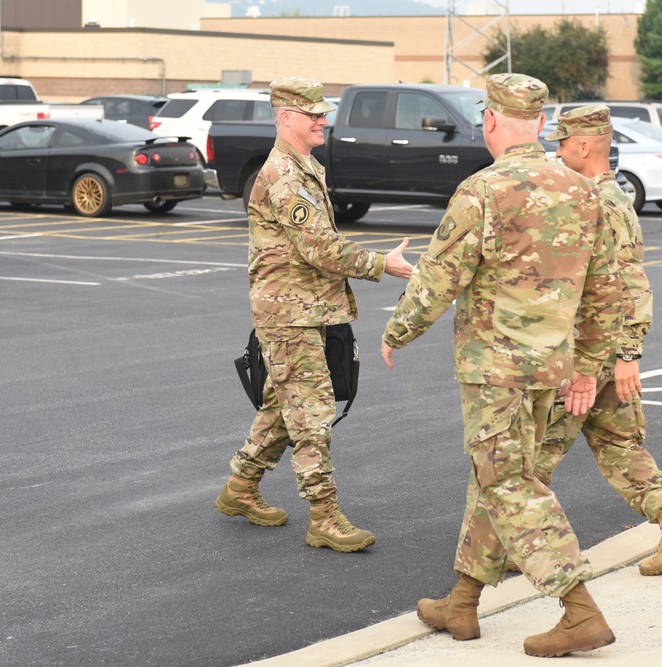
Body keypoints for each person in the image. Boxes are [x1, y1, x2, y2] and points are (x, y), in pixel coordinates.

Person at [381, 74, 623, 658]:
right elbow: (605, 290)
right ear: (539, 123)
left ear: (489, 120)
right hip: (550, 366)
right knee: (495, 476)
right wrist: (588, 364)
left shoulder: (482, 191)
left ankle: (579, 609)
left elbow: (440, 277)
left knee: (507, 481)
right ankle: (462, 603)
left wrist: (398, 331)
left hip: (495, 368)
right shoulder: (583, 190)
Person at [215, 76, 414, 553]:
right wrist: (381, 264)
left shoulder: (304, 166)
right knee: (312, 413)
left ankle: (240, 487)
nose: (323, 120)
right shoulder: (284, 175)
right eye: (314, 114)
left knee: (283, 407)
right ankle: (324, 517)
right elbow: (320, 248)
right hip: (289, 314)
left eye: (323, 113)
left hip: (306, 308)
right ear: (287, 118)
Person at [541, 104, 662, 576]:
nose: (557, 153)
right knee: (618, 444)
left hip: (586, 355)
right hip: (603, 351)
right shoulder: (607, 196)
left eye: (561, 144)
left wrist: (627, 355)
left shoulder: (599, 202)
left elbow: (629, 282)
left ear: (583, 145)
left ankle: (520, 549)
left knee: (530, 453)